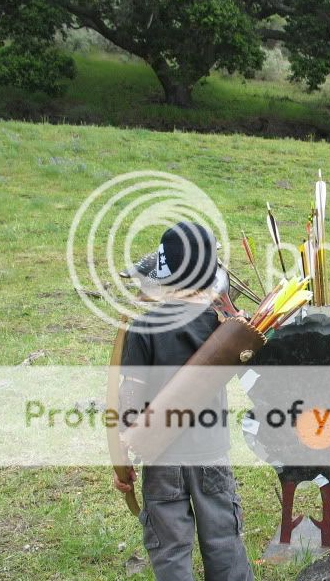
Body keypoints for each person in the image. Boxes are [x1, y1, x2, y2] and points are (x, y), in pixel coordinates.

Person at [113, 221, 254, 581]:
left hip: (161, 456)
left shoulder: (144, 326)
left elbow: (129, 394)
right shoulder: (224, 326)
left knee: (171, 549)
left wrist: (123, 451)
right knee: (223, 541)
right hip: (211, 454)